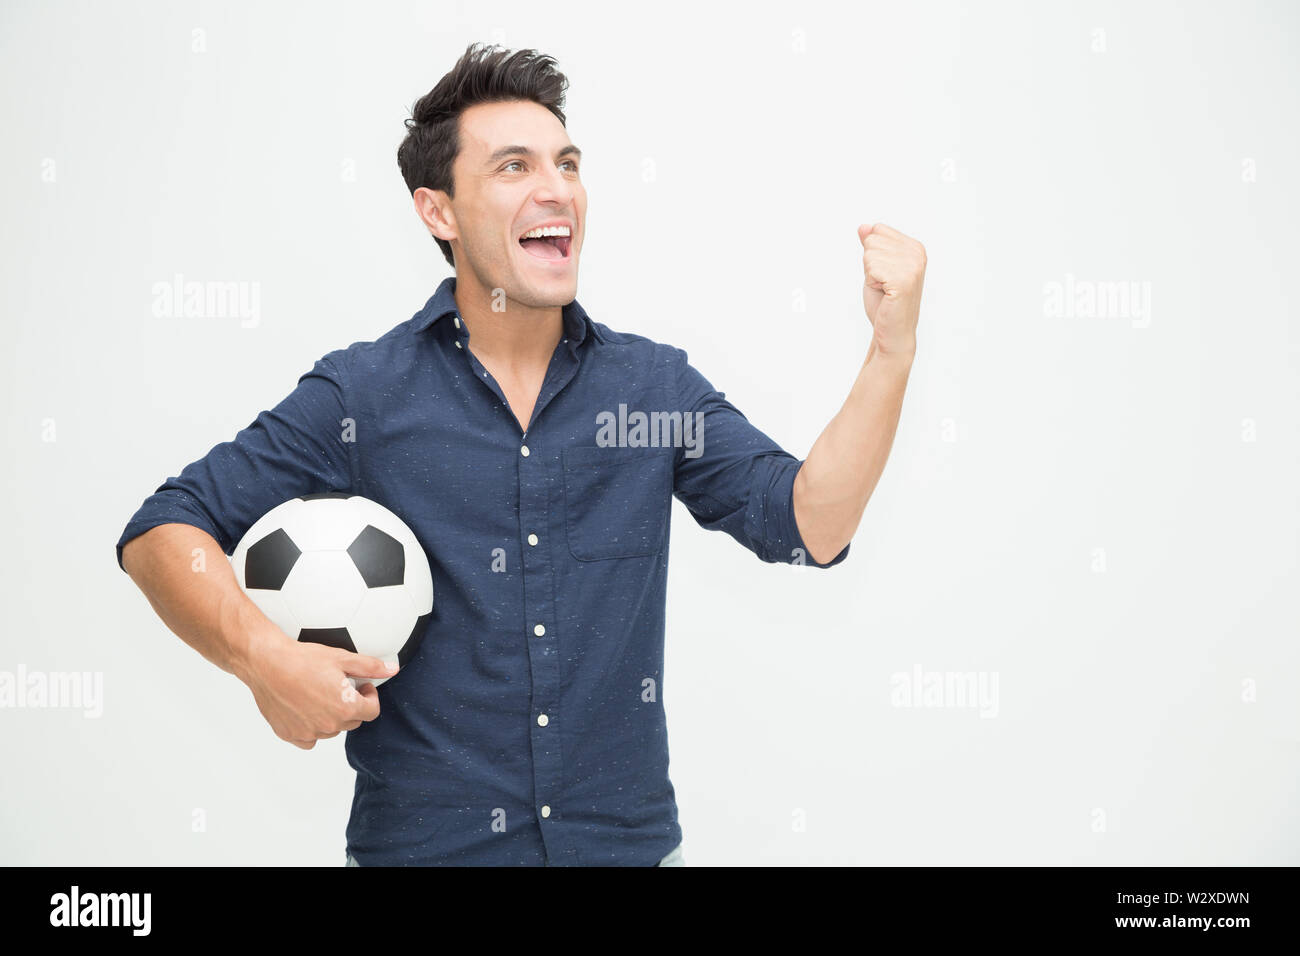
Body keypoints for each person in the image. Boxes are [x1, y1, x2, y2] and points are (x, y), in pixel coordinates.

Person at [116, 42, 926, 866]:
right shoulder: (363, 396)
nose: (557, 189)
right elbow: (163, 531)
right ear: (439, 212)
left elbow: (808, 525)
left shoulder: (652, 391)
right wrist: (264, 660)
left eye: (567, 163)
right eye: (514, 166)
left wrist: (891, 352)